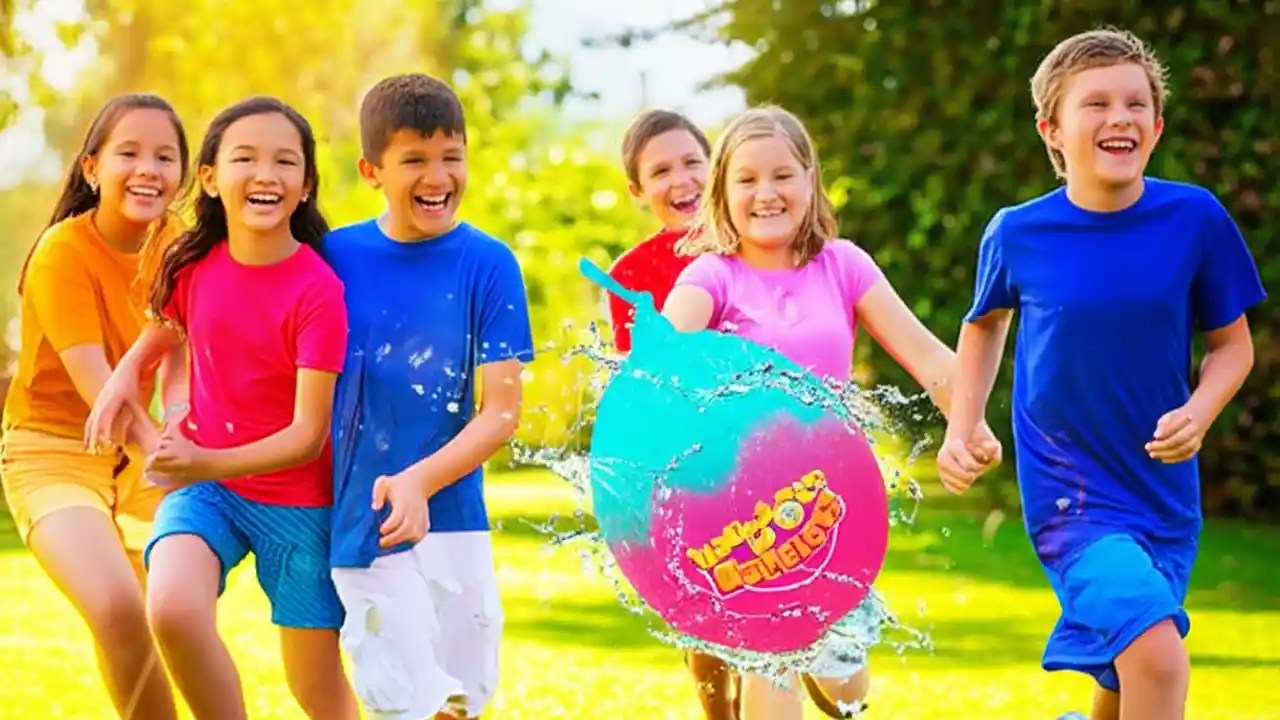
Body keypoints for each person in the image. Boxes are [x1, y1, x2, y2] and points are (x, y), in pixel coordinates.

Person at [937, 29, 1265, 720]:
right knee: (1156, 656)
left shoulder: (1194, 219)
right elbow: (984, 322)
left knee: (1123, 676)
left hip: (1164, 493)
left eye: (1136, 103)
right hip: (1071, 496)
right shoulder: (1018, 232)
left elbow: (1232, 348)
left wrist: (1200, 412)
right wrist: (963, 426)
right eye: (1097, 104)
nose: (1120, 117)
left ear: (1158, 125)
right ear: (1051, 129)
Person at [662, 105, 1000, 720]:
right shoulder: (713, 276)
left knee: (846, 686)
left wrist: (969, 422)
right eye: (747, 179)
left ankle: (832, 674)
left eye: (782, 175)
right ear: (724, 192)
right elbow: (662, 356)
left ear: (810, 180)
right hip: (743, 506)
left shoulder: (843, 265)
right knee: (774, 653)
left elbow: (931, 360)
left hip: (832, 505)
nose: (766, 193)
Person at [85, 96, 358, 720]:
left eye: (285, 162)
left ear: (306, 185)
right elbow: (167, 325)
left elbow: (307, 436)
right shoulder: (194, 266)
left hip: (297, 503)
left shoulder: (318, 292)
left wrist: (203, 460)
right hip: (210, 492)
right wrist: (126, 373)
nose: (266, 174)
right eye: (245, 158)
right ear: (209, 177)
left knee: (315, 689)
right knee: (174, 608)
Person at [324, 73, 534, 720]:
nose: (437, 176)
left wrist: (420, 481)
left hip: (456, 514)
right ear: (371, 170)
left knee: (464, 697)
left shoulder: (488, 264)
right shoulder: (333, 256)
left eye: (452, 156)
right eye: (414, 159)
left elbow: (500, 411)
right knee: (410, 695)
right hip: (366, 522)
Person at [0, 92, 187, 719]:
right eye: (128, 153)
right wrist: (168, 462)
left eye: (165, 156)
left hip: (139, 459)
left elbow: (185, 352)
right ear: (91, 169)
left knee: (156, 617)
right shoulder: (61, 251)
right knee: (118, 607)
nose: (148, 169)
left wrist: (182, 432)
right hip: (53, 453)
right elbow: (98, 389)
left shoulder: (177, 247)